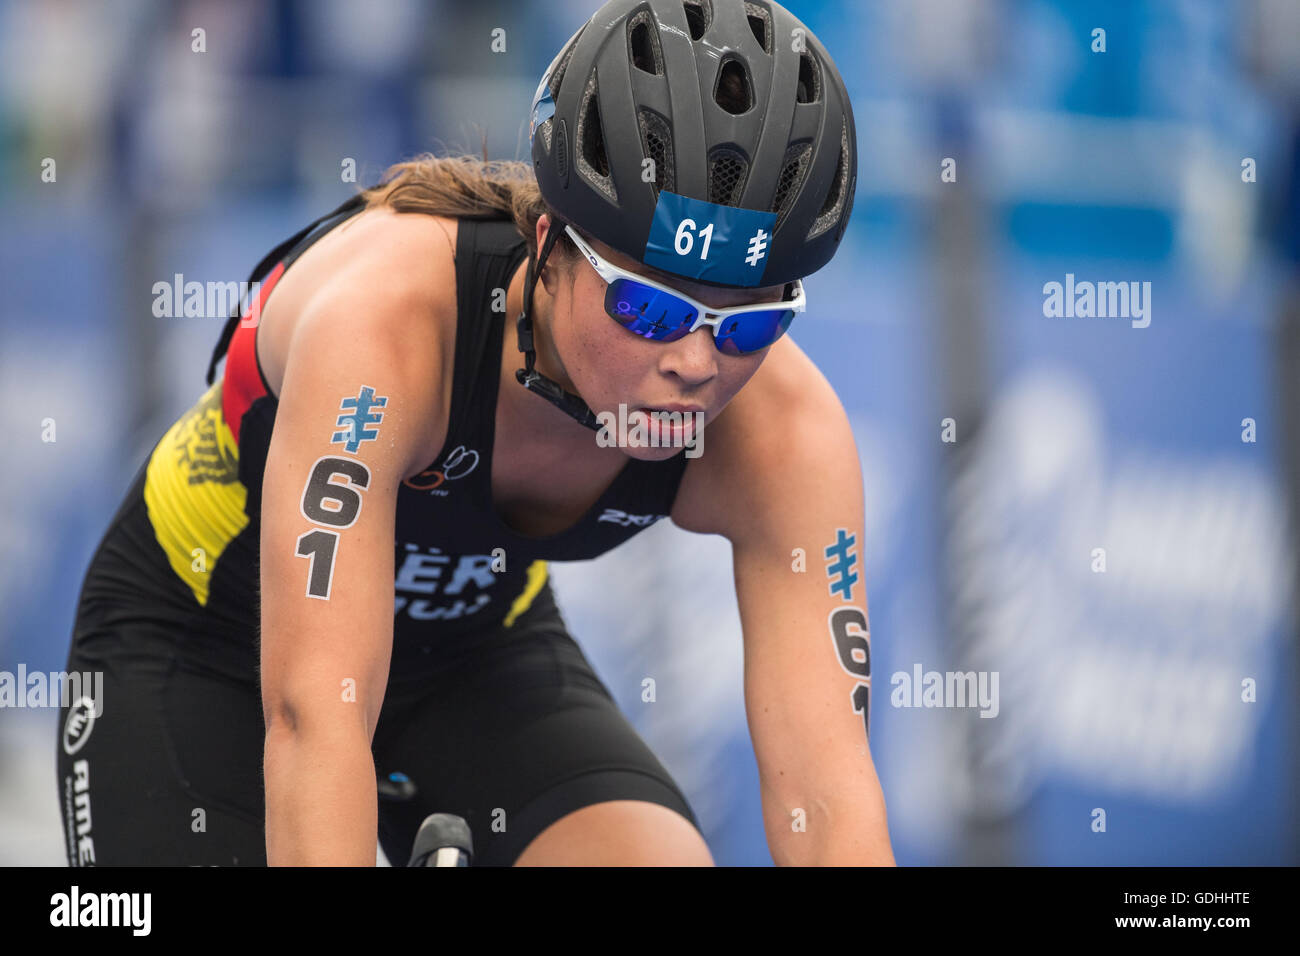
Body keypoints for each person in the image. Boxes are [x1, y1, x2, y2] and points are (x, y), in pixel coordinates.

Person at [57, 0, 894, 866]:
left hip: (469, 650)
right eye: (649, 307)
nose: (694, 360)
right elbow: (317, 715)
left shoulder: (785, 429)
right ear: (549, 243)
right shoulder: (388, 324)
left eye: (750, 325)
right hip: (209, 636)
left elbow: (826, 791)